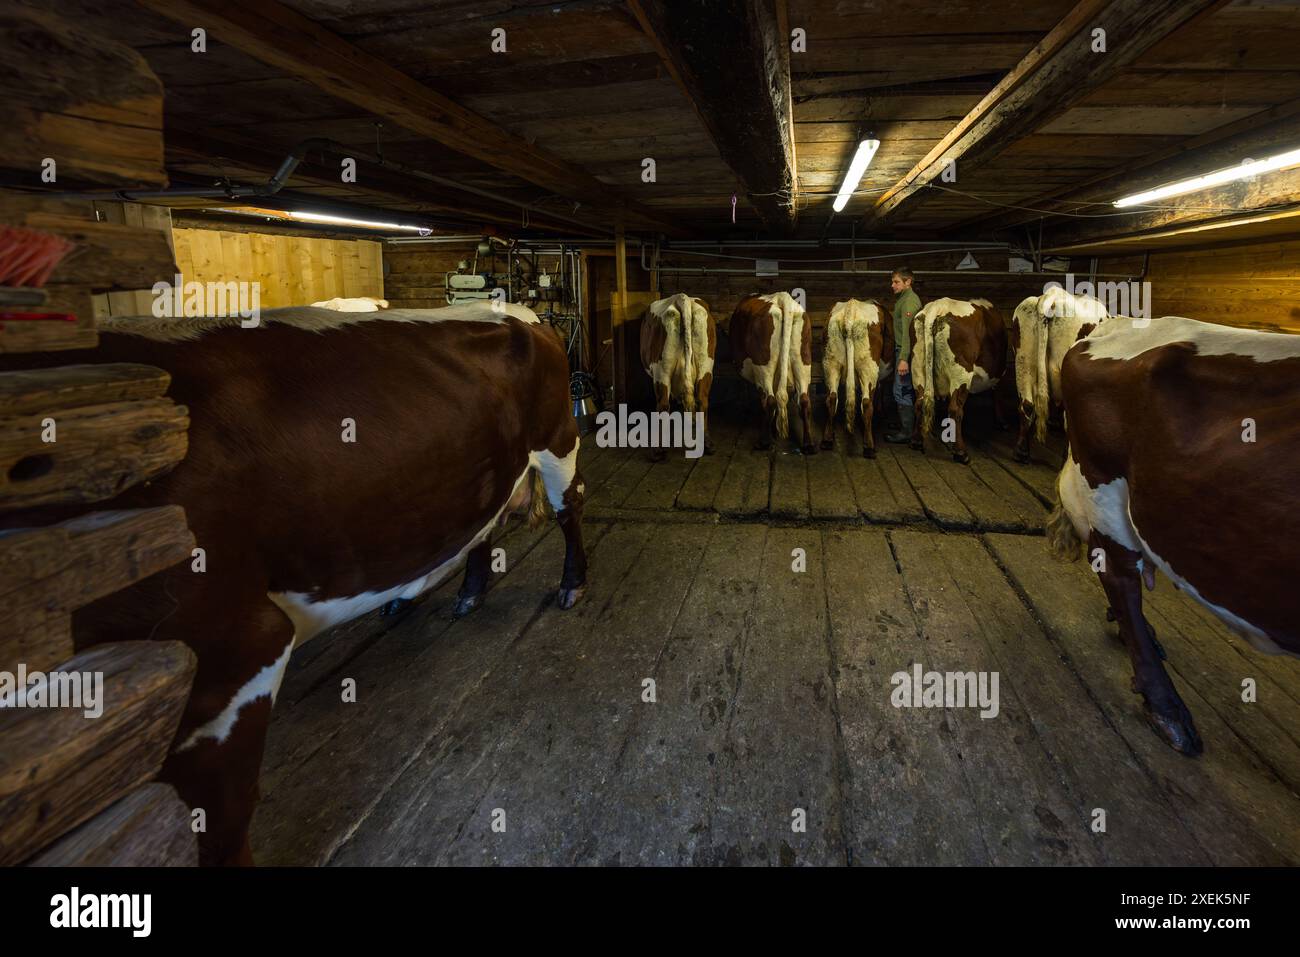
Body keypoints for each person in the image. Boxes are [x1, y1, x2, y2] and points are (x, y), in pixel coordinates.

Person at [886, 267, 921, 444]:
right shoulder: (903, 299)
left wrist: (903, 359)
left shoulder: (909, 302)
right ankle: (906, 425)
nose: (892, 285)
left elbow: (909, 334)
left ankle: (907, 432)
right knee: (903, 389)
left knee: (902, 390)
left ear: (908, 282)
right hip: (903, 351)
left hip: (906, 352)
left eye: (896, 282)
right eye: (893, 281)